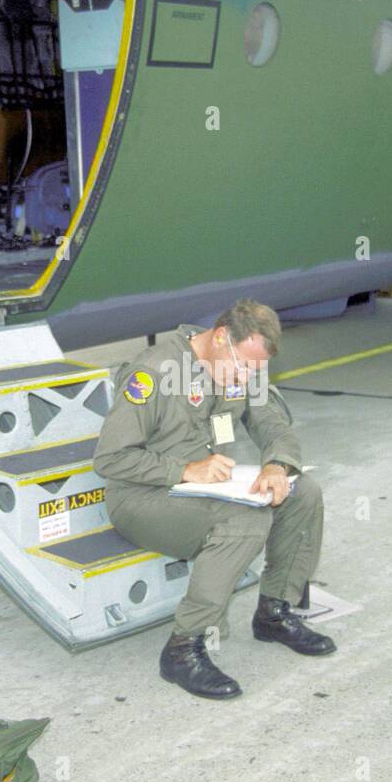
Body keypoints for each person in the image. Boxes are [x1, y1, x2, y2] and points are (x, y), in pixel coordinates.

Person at [93, 299, 334, 700]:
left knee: (302, 491)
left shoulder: (245, 366)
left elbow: (274, 426)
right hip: (142, 497)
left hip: (206, 492)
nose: (247, 377)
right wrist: (184, 470)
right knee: (245, 522)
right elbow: (111, 459)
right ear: (221, 337)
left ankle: (274, 612)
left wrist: (277, 465)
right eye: (242, 366)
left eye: (255, 370)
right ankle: (183, 648)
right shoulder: (153, 372)